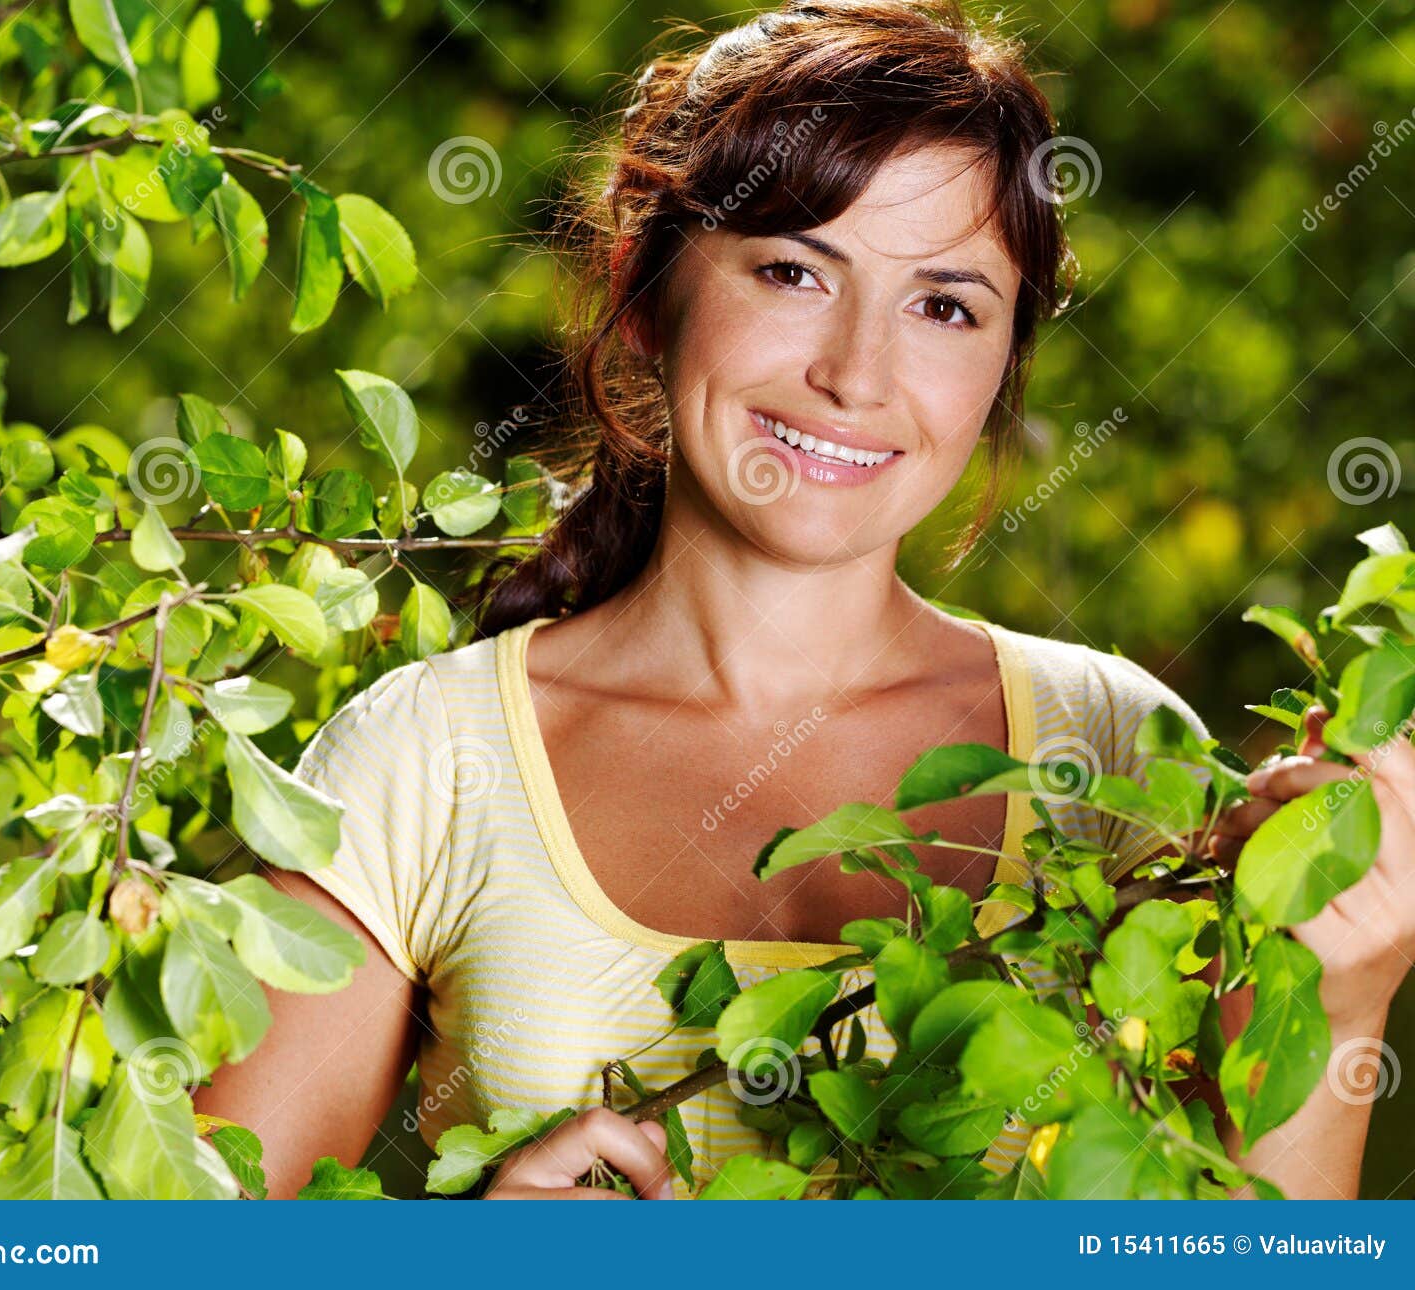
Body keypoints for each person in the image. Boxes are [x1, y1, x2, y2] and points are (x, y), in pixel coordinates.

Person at [193, 0, 1415, 1199]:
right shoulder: (426, 758)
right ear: (648, 283)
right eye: (791, 271)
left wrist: (1341, 993)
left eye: (943, 305)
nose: (853, 375)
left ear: (1003, 364)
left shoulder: (1114, 752)